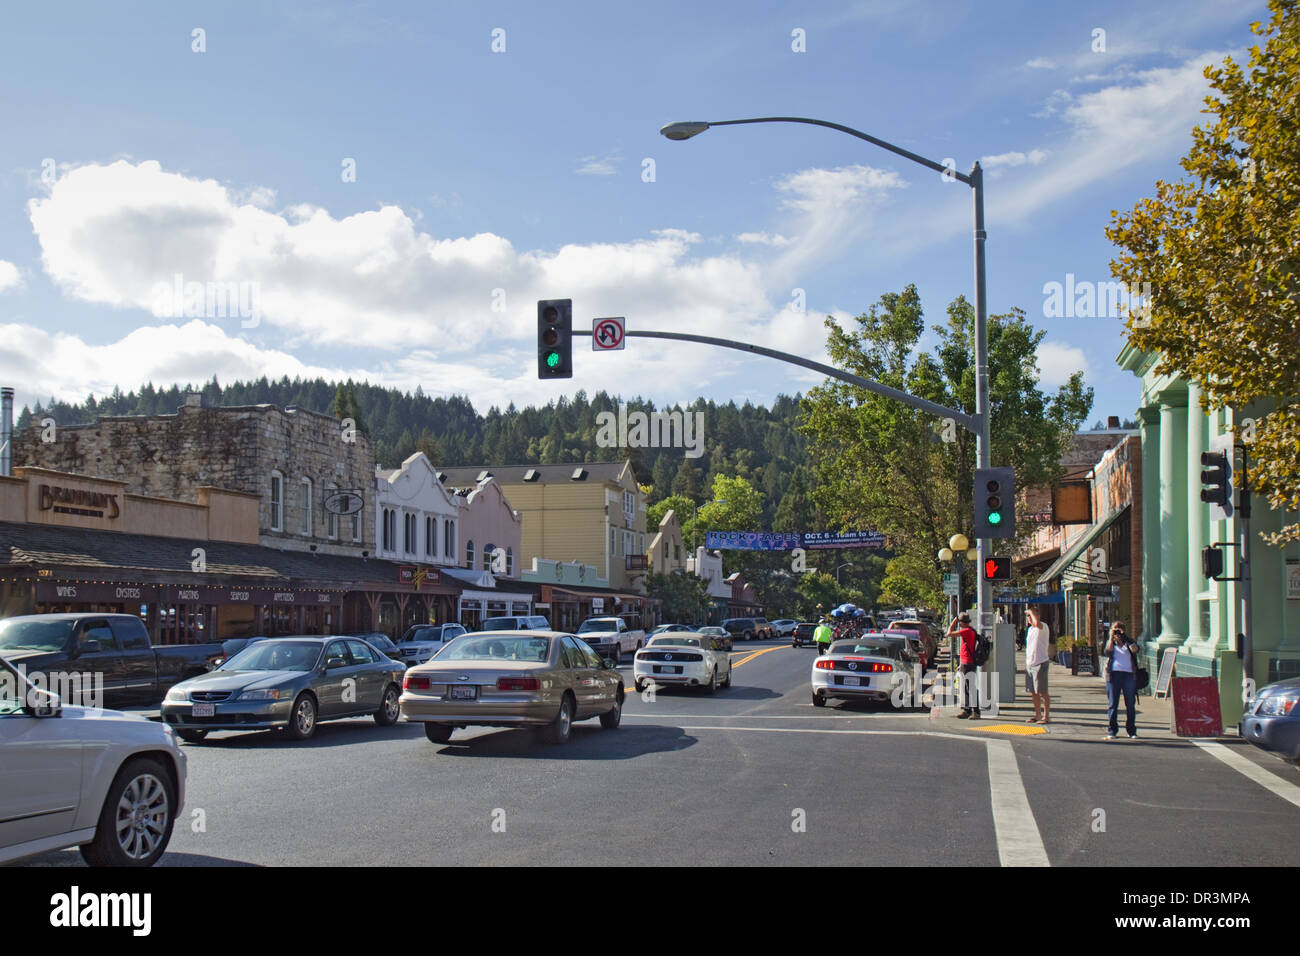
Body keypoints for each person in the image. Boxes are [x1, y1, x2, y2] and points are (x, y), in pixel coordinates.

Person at [1103, 621, 1140, 739]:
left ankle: (1131, 730)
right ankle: (1112, 730)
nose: (1117, 631)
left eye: (1119, 629)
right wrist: (1110, 638)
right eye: (1115, 629)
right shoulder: (1110, 643)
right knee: (1113, 704)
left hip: (1129, 675)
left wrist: (1126, 638)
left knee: (1130, 704)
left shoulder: (1129, 642)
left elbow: (1135, 649)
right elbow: (1107, 652)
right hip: (1113, 675)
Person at [947, 612, 980, 719]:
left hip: (968, 663)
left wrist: (954, 621)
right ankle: (967, 710)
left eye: (959, 622)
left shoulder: (966, 631)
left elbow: (949, 633)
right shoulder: (970, 630)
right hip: (966, 662)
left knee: (970, 688)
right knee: (967, 688)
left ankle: (976, 711)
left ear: (962, 622)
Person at [1024, 607, 1051, 724]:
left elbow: (1037, 623)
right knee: (1033, 691)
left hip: (1040, 663)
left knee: (1042, 691)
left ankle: (1046, 716)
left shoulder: (1043, 627)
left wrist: (1030, 611)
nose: (1029, 618)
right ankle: (1037, 714)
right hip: (1030, 663)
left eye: (1031, 616)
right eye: (1027, 616)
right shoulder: (1030, 629)